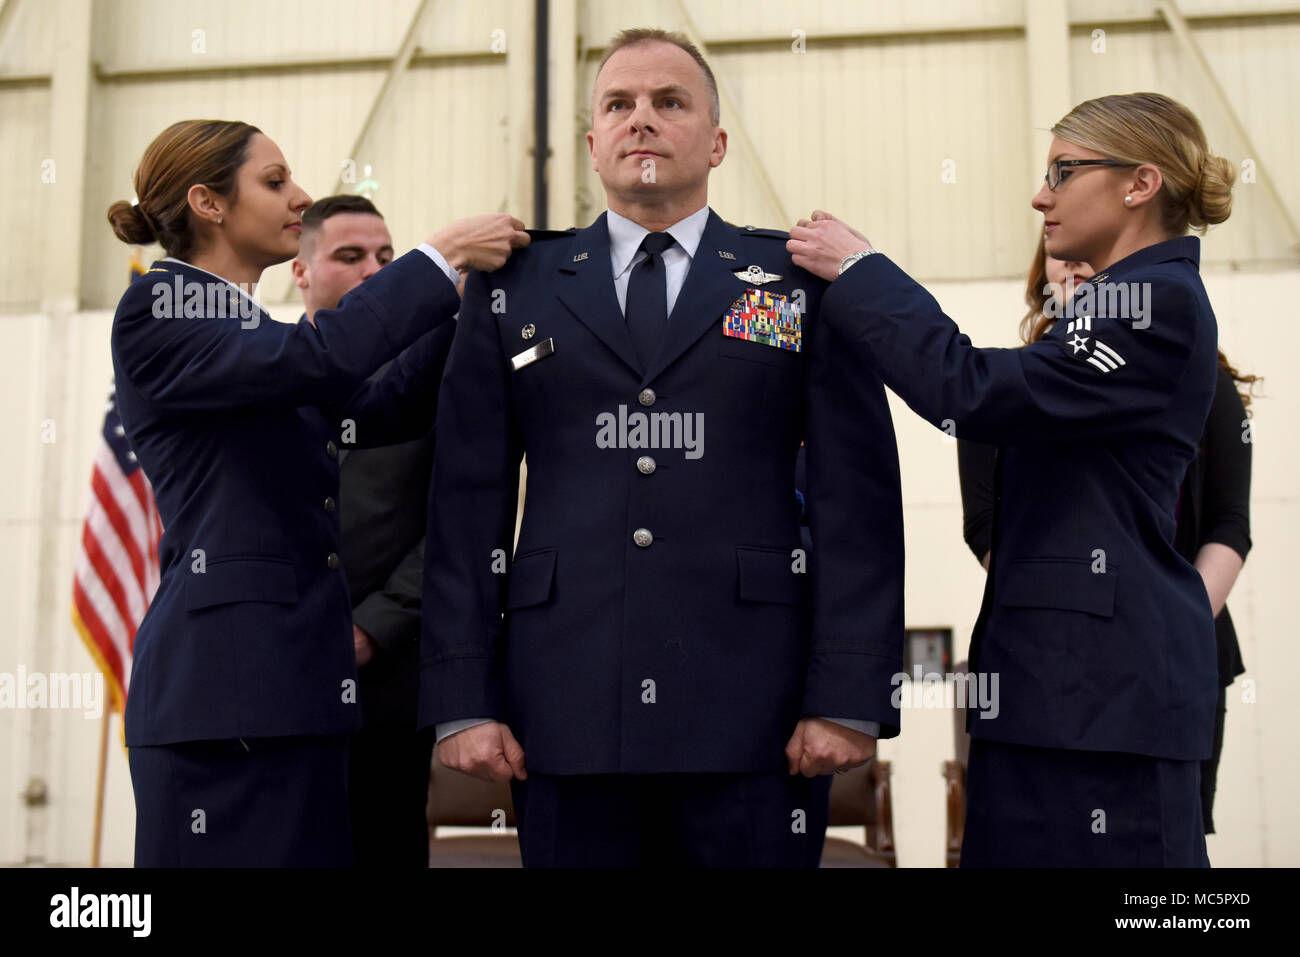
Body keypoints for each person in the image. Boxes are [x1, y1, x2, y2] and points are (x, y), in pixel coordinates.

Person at [419, 28, 905, 867]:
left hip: (758, 711)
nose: (641, 119)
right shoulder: (514, 284)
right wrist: (464, 698)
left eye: (669, 102)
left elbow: (855, 500)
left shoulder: (798, 281)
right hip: (562, 708)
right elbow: (466, 502)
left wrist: (850, 694)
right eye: (619, 104)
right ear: (593, 144)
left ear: (716, 142)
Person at [789, 91, 1235, 866]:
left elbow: (973, 390)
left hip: (1104, 704)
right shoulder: (1107, 303)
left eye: (1063, 171)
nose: (1041, 193)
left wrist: (864, 273)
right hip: (1049, 693)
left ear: (1140, 183)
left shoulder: (1156, 300)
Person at [108, 119, 527, 866]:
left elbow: (379, 401)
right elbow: (328, 357)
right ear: (208, 203)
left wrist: (471, 296)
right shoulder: (165, 309)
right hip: (226, 699)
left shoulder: (249, 337)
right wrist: (440, 256)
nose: (299, 197)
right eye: (274, 182)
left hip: (294, 692)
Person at [956, 240, 1257, 836]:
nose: (1071, 265)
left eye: (1088, 258)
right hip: (1048, 651)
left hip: (1175, 648)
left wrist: (1171, 616)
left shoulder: (1203, 381)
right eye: (1057, 257)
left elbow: (1230, 523)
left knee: (1163, 841)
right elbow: (985, 525)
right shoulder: (1002, 383)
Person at [291, 194, 439, 867]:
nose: (374, 271)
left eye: (386, 256)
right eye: (350, 256)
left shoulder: (428, 379)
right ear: (300, 270)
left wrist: (374, 624)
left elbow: (456, 525)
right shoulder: (263, 372)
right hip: (277, 667)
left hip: (388, 681)